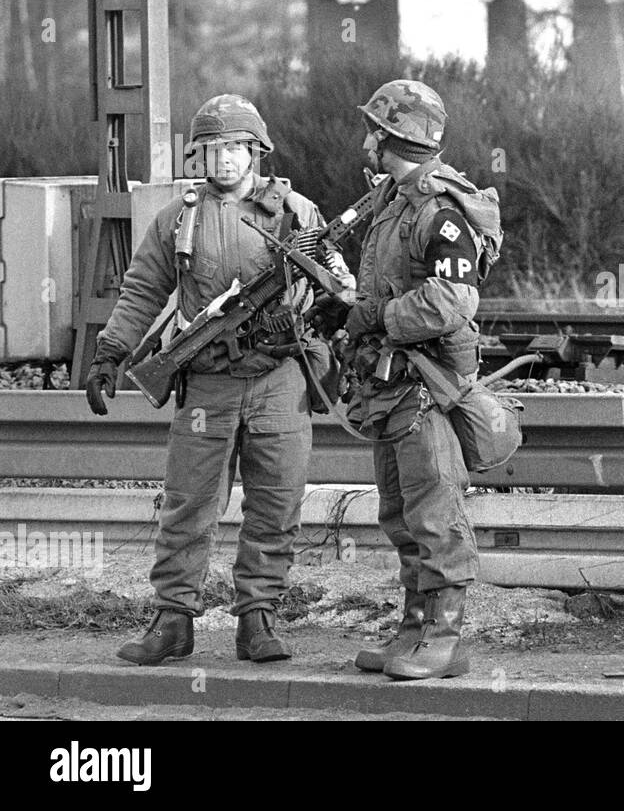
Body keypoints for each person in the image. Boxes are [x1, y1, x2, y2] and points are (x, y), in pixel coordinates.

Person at [86, 94, 352, 666]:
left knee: (276, 504)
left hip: (280, 378)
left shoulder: (297, 213)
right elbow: (142, 291)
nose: (225, 159)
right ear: (197, 154)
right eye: (213, 148)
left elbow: (340, 282)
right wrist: (110, 354)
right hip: (207, 381)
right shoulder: (179, 218)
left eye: (235, 147)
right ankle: (172, 621)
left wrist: (335, 304)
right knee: (188, 504)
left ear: (255, 151)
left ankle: (258, 619)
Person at [326, 79, 502, 681]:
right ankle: (414, 629)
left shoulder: (438, 209)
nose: (365, 139)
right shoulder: (393, 204)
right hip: (389, 388)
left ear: (391, 135)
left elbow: (454, 300)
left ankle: (446, 638)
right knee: (400, 516)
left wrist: (378, 314)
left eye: (372, 129)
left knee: (436, 514)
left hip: (424, 388)